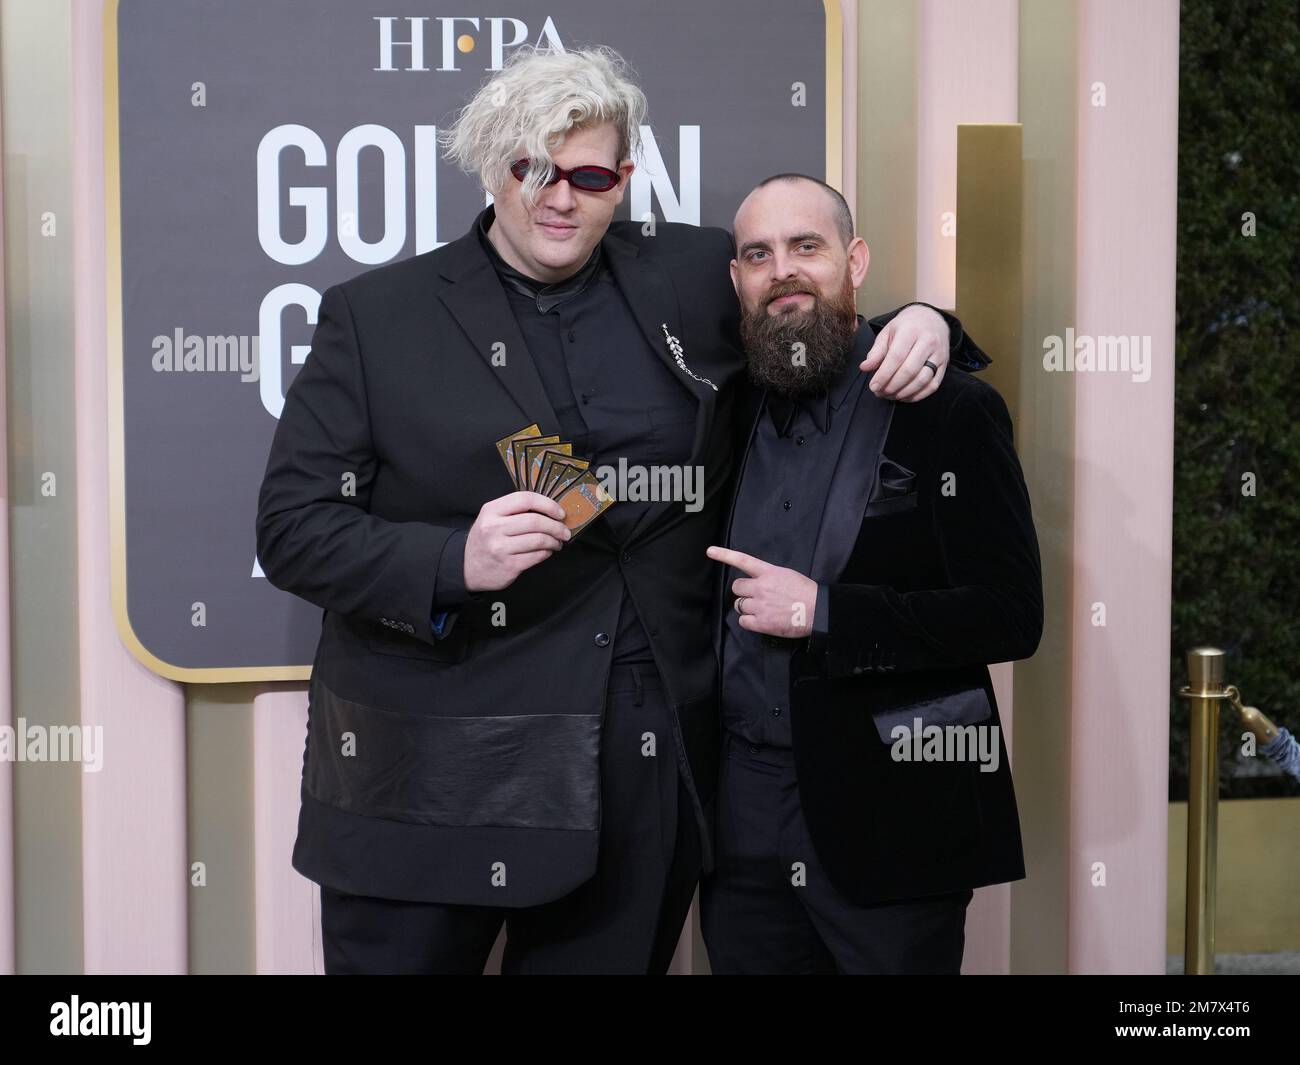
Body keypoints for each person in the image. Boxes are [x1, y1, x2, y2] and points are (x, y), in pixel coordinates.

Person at [255, 46, 984, 975]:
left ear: (623, 181)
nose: (558, 198)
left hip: (638, 775)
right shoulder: (375, 318)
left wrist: (928, 322)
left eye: (589, 175)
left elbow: (803, 307)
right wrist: (452, 561)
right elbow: (290, 526)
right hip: (434, 781)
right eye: (532, 169)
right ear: (494, 168)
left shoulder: (687, 272)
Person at [702, 173, 1042, 974]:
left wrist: (827, 611)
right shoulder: (723, 412)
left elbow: (1009, 613)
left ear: (854, 261)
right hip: (741, 828)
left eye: (806, 247)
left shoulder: (949, 408)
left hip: (895, 821)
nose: (782, 270)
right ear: (738, 279)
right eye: (759, 254)